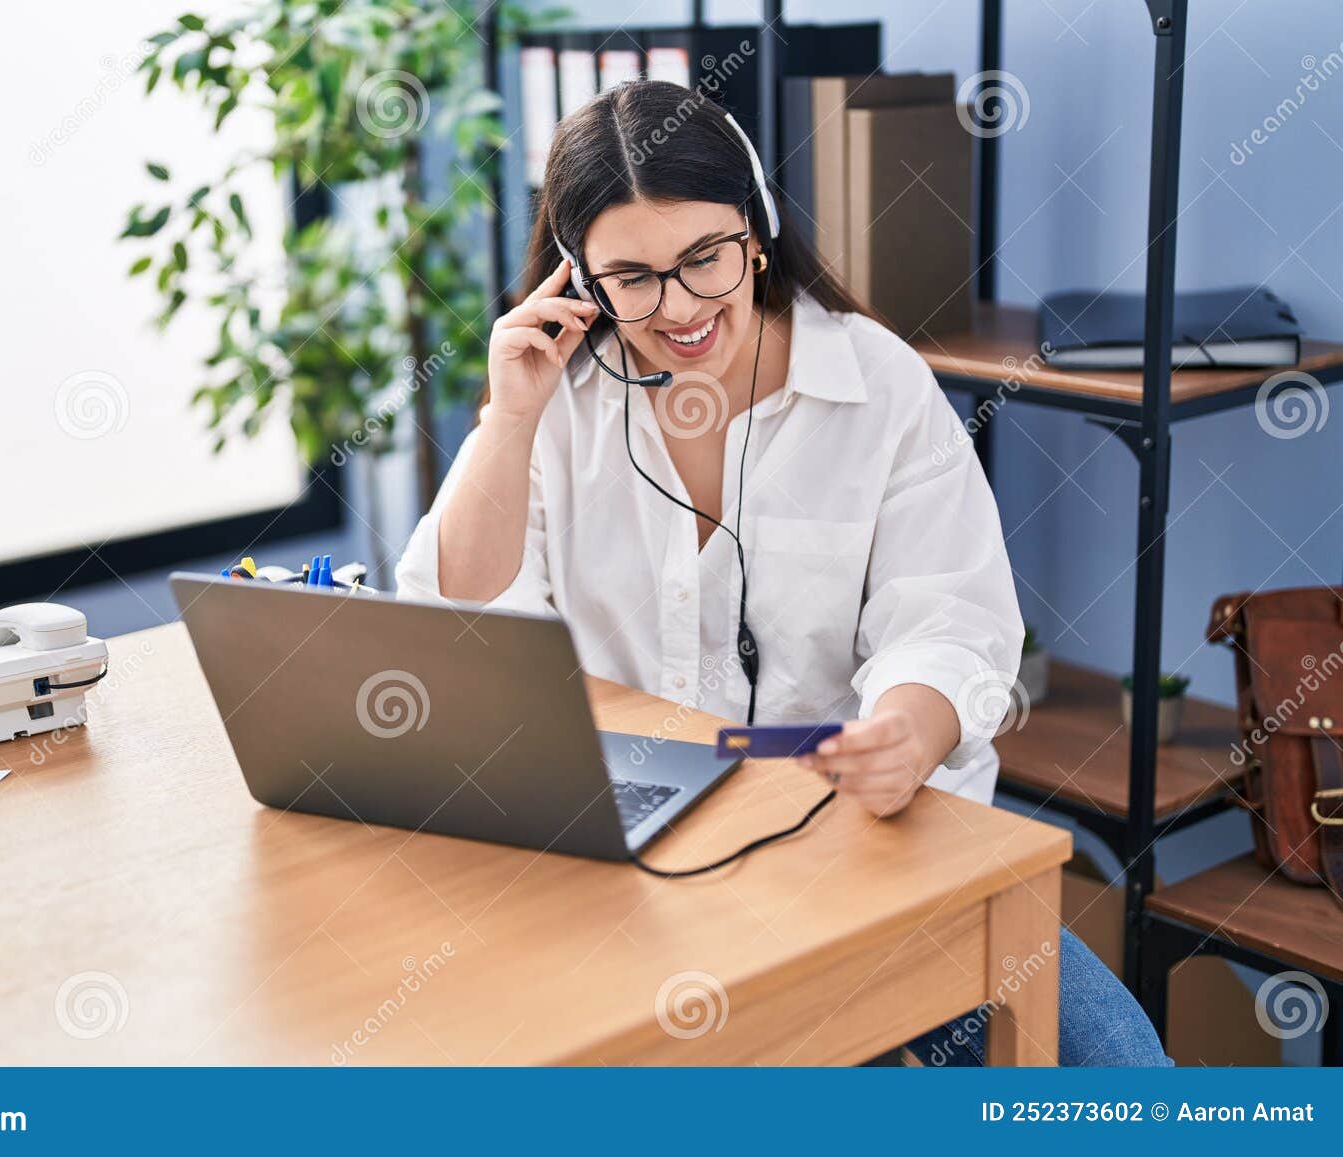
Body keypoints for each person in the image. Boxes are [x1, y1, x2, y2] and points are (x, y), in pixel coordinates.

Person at [395, 80, 1167, 1067]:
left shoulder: (877, 382)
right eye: (629, 277)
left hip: (868, 848)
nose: (676, 309)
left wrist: (906, 731)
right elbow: (457, 611)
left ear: (754, 228)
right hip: (637, 854)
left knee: (1120, 1068)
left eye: (703, 259)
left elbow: (954, 623)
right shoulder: (561, 396)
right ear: (576, 278)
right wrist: (507, 420)